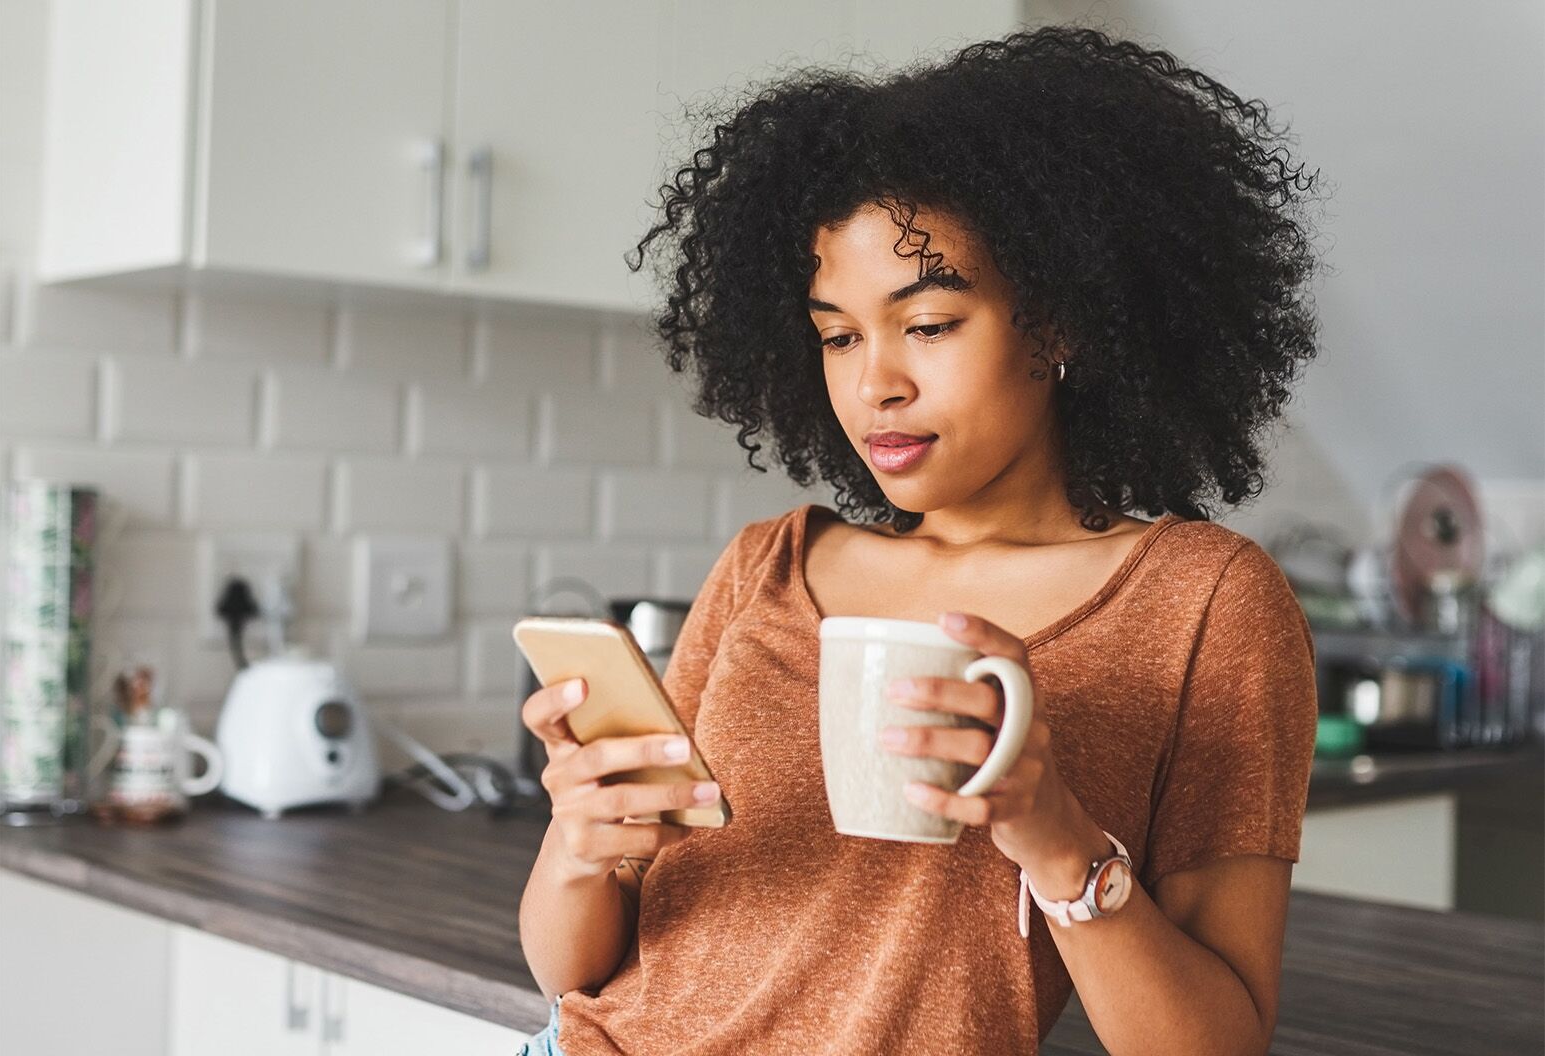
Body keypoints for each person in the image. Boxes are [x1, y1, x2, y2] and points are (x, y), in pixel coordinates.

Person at [517, 22, 1326, 1056]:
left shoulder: (1204, 605)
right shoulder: (766, 567)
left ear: (1063, 320)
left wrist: (1053, 835)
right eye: (838, 335)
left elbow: (1215, 1043)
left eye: (930, 324)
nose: (873, 385)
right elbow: (572, 972)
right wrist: (580, 849)